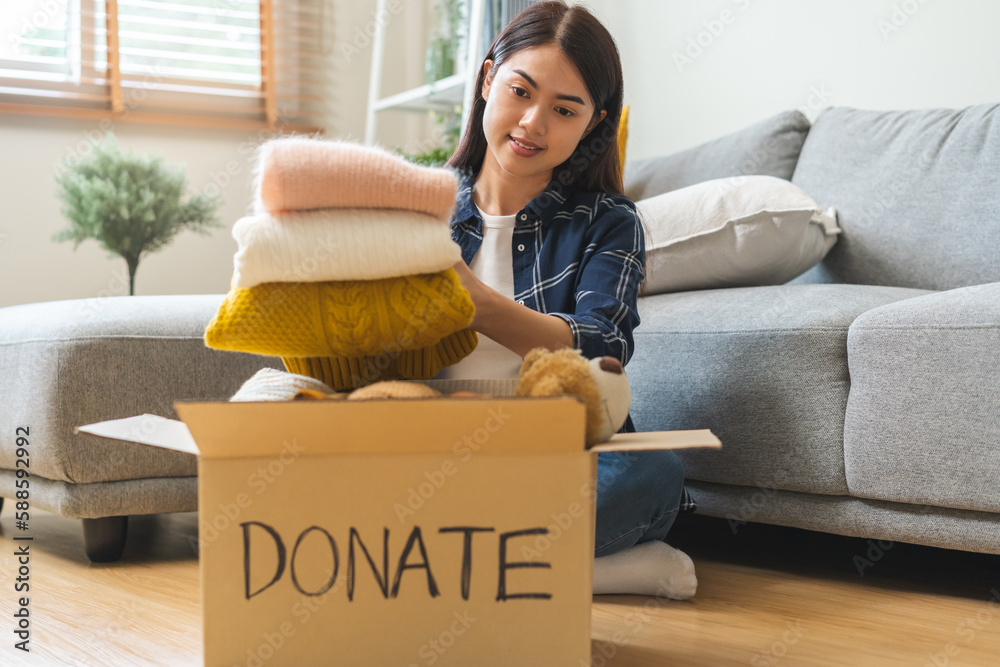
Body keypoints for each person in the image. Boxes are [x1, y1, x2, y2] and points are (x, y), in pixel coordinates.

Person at [435, 1, 698, 599]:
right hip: (443, 456)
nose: (532, 123)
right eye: (520, 91)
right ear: (485, 80)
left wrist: (474, 302)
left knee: (651, 470)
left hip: (558, 459)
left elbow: (602, 344)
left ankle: (451, 562)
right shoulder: (420, 205)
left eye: (564, 110)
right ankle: (596, 571)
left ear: (592, 123)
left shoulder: (609, 221)